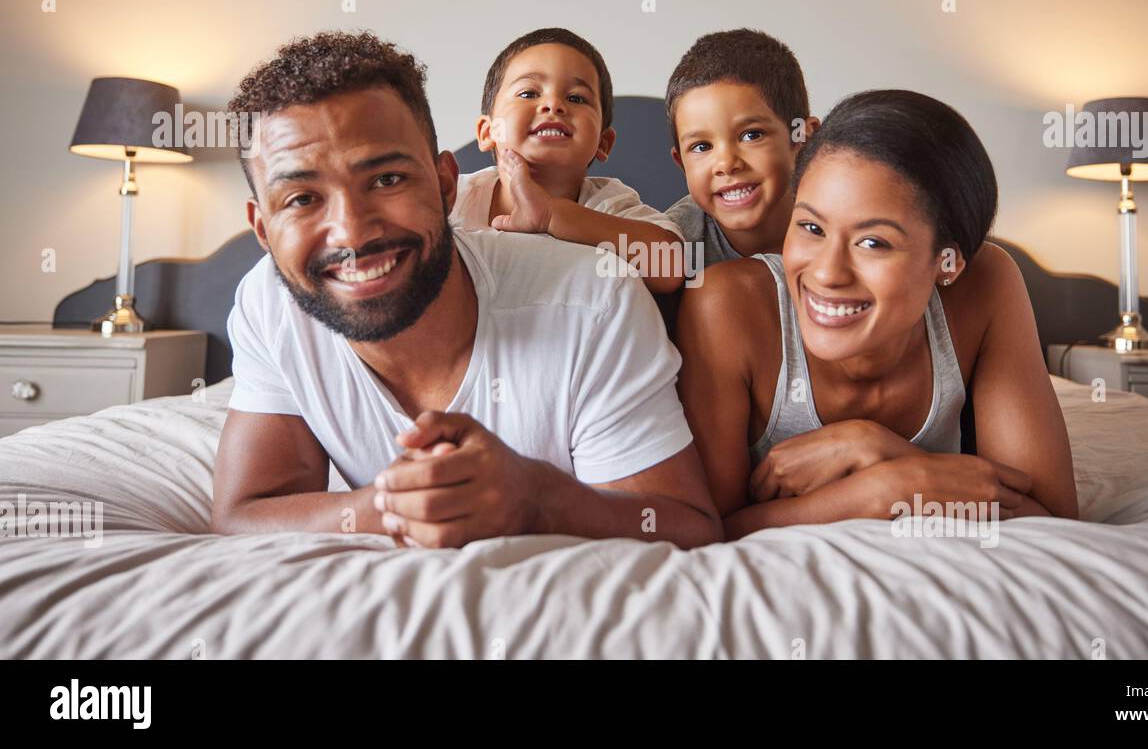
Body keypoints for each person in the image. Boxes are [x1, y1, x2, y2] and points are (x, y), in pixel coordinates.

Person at [211, 30, 721, 549]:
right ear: (263, 230)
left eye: (387, 180)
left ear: (444, 184)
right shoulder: (268, 303)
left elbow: (670, 264)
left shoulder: (597, 284)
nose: (352, 233)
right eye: (301, 198)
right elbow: (245, 513)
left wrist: (535, 499)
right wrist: (393, 504)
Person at [675, 89, 1078, 540]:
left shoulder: (987, 284)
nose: (827, 273)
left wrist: (881, 454)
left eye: (873, 243)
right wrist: (881, 491)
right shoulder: (723, 306)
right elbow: (707, 531)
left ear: (948, 262)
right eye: (811, 227)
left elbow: (1051, 520)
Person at [455, 27, 686, 293]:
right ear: (487, 132)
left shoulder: (607, 205)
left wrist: (552, 215)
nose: (553, 104)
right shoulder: (454, 200)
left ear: (603, 142)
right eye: (529, 93)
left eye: (576, 98)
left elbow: (670, 266)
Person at [663, 28, 819, 271]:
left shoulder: (844, 216)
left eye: (751, 135)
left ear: (805, 138)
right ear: (682, 163)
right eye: (702, 146)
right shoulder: (672, 251)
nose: (726, 163)